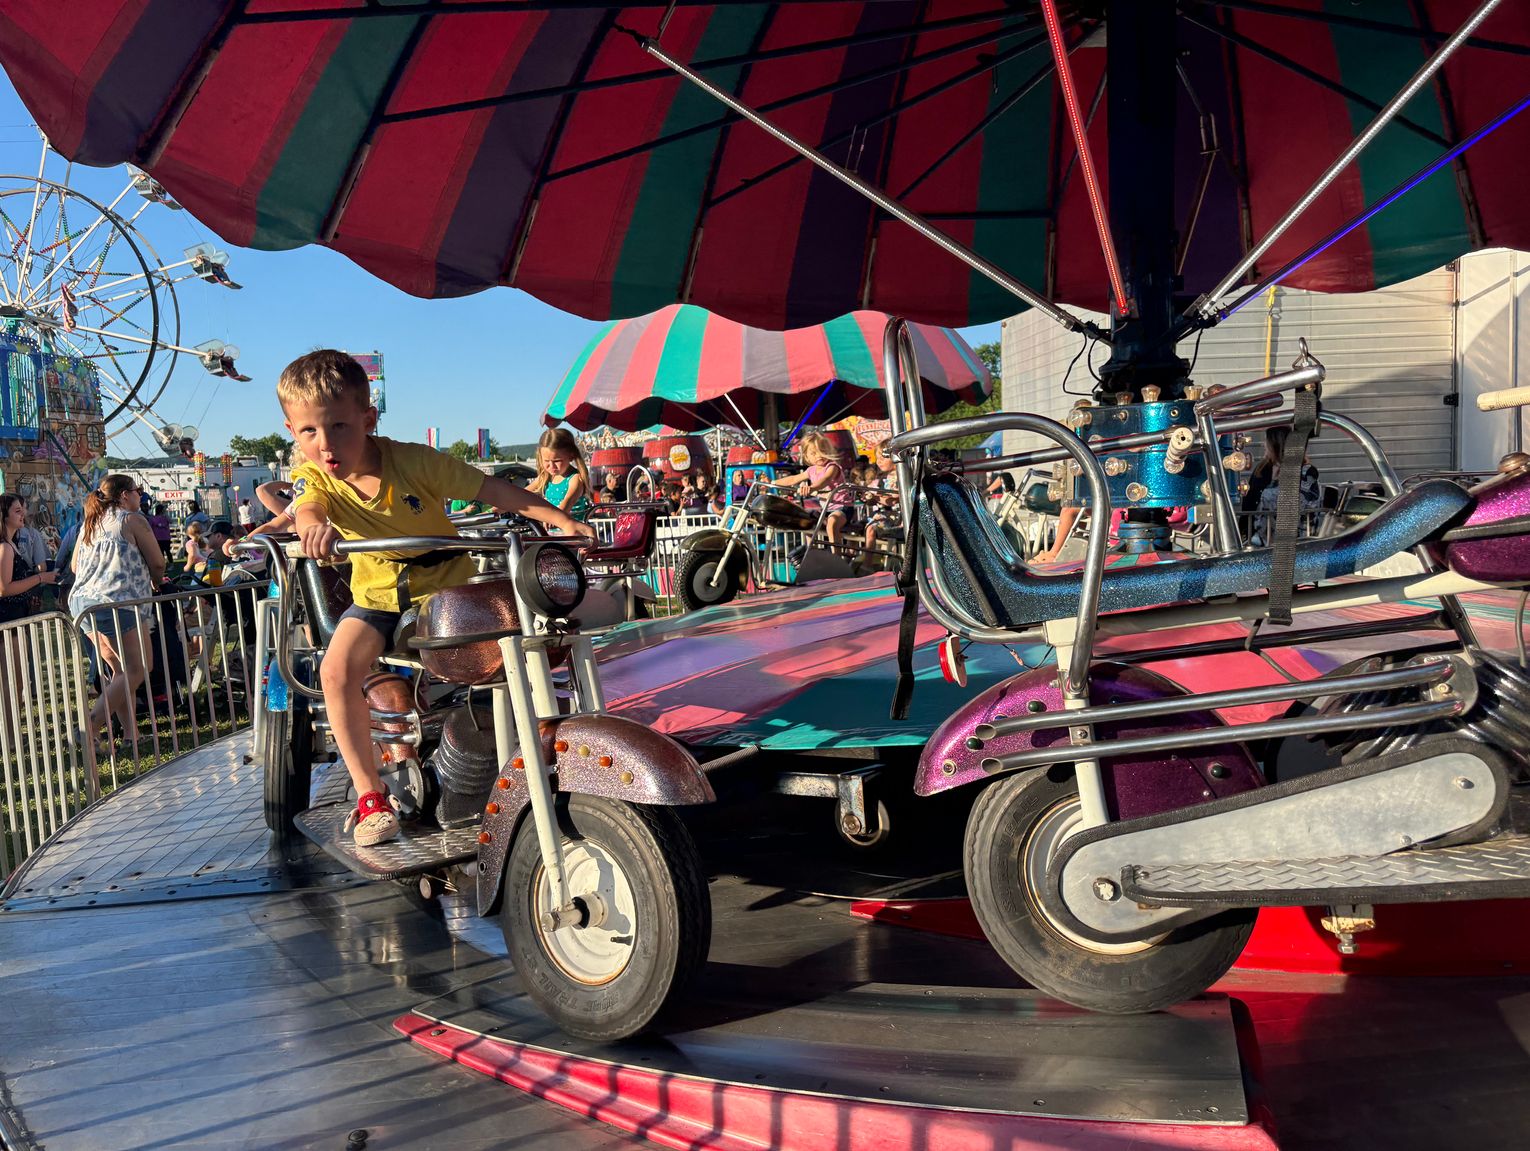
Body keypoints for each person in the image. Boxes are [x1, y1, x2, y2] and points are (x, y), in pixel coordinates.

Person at [282, 349, 595, 847]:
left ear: (367, 419)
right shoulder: (315, 477)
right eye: (309, 432)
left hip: (444, 592)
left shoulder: (413, 461)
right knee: (335, 670)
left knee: (517, 648)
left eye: (339, 427)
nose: (325, 444)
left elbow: (494, 491)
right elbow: (308, 508)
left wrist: (560, 520)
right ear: (292, 432)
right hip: (378, 599)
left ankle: (548, 748)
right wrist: (315, 528)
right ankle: (369, 797)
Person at [69, 475, 165, 745]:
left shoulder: (91, 523)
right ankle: (90, 726)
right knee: (139, 668)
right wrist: (156, 582)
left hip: (84, 602)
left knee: (119, 674)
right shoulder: (131, 520)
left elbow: (75, 566)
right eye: (138, 491)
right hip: (119, 601)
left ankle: (130, 735)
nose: (140, 496)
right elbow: (157, 562)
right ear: (124, 495)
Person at [1242, 427, 1321, 546]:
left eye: (1266, 442)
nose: (1264, 445)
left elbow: (1301, 501)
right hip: (1258, 536)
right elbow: (1250, 499)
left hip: (1296, 537)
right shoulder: (1263, 468)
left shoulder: (1307, 472)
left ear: (1276, 445)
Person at [775, 433, 854, 547]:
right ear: (807, 456)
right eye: (813, 453)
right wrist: (772, 482)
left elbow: (825, 480)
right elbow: (793, 479)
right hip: (825, 510)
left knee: (832, 522)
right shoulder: (811, 470)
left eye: (822, 450)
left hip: (842, 508)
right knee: (805, 519)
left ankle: (836, 558)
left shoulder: (832, 467)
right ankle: (811, 550)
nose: (819, 455)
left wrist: (811, 488)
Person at [0, 494, 57, 625]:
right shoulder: (5, 548)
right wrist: (41, 578)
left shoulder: (12, 543)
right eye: (17, 511)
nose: (23, 515)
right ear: (4, 515)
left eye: (22, 510)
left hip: (18, 615)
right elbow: (4, 589)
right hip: (8, 618)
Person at [526, 428, 593, 525]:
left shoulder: (575, 479)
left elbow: (568, 502)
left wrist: (553, 518)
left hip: (573, 534)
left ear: (571, 455)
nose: (551, 466)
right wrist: (502, 505)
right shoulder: (545, 477)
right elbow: (521, 494)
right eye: (546, 461)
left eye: (557, 461)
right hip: (552, 532)